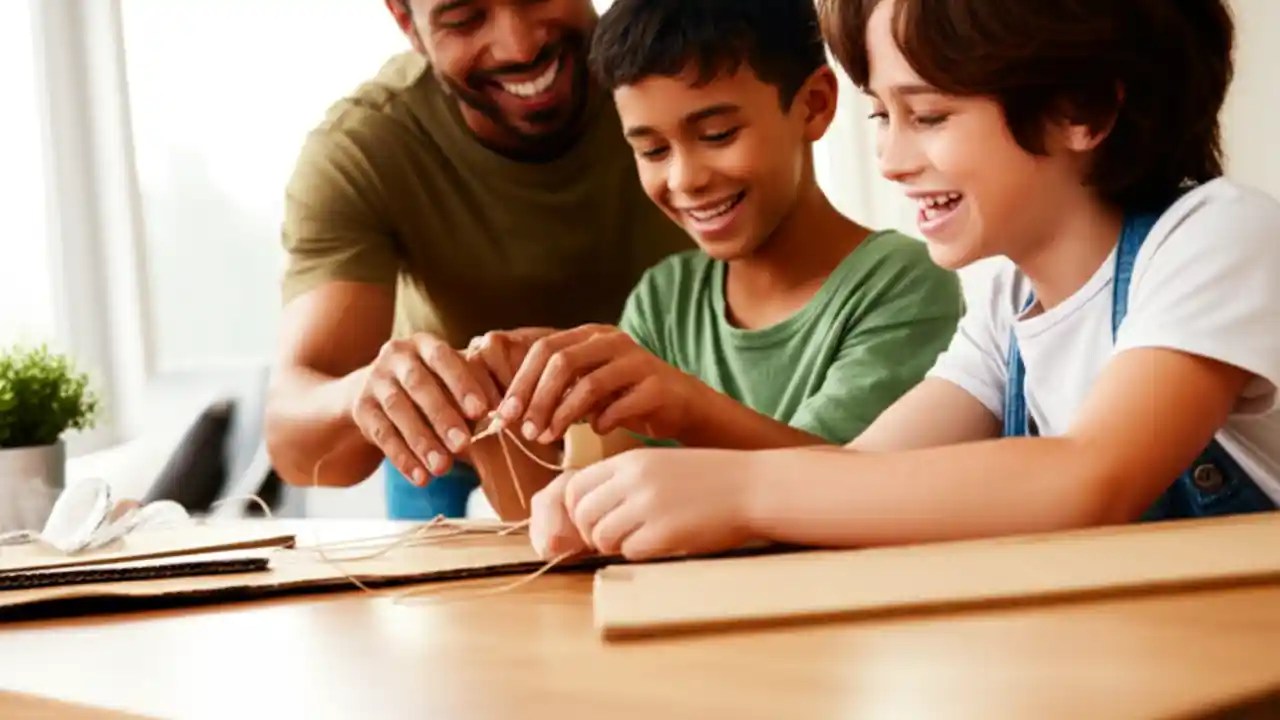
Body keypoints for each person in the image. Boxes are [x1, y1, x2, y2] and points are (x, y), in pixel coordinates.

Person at [529, 0, 1280, 561]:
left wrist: (740, 492)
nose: (890, 160)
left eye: (926, 116)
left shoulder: (1216, 238)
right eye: (880, 116)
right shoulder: (1005, 303)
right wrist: (624, 499)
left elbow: (1090, 477)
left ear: (1079, 109)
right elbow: (858, 478)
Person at [263, 0, 692, 520]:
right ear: (407, 23)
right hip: (452, 454)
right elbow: (295, 446)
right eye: (464, 19)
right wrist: (364, 395)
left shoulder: (692, 72)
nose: (520, 47)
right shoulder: (364, 148)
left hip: (687, 429)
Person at [487, 0, 961, 464]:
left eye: (717, 135)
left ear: (813, 106)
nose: (684, 179)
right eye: (653, 151)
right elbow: (589, 486)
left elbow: (848, 485)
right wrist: (502, 409)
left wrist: (688, 409)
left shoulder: (906, 284)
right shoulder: (665, 300)